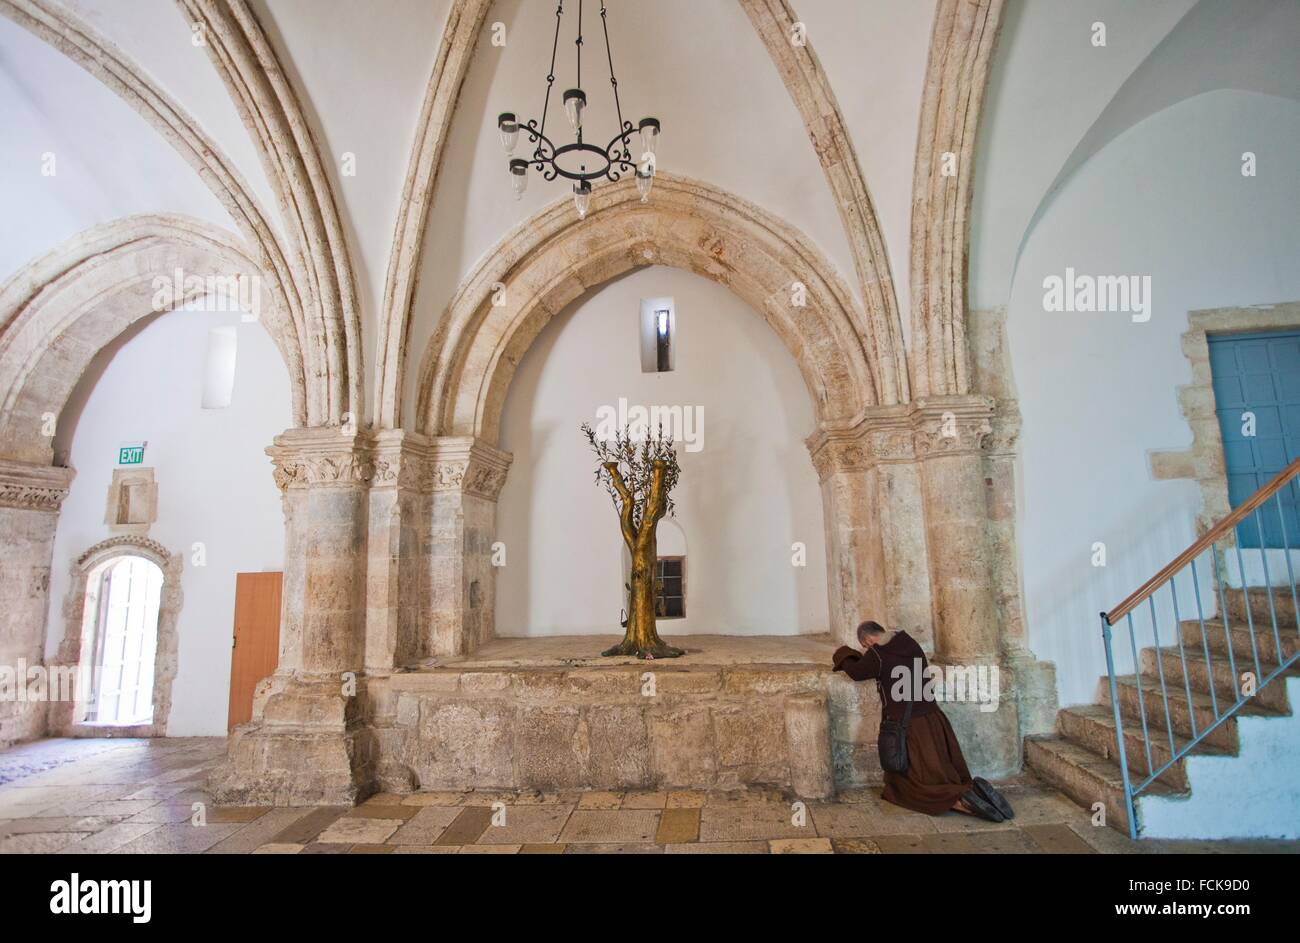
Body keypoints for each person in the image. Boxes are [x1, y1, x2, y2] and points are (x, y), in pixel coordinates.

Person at [832, 620, 1014, 822]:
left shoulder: (877, 654)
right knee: (941, 768)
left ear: (867, 640)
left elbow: (857, 672)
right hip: (932, 716)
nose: (867, 650)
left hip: (909, 724)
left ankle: (960, 802)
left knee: (919, 778)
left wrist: (843, 655)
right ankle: (975, 792)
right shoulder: (908, 641)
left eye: (865, 646)